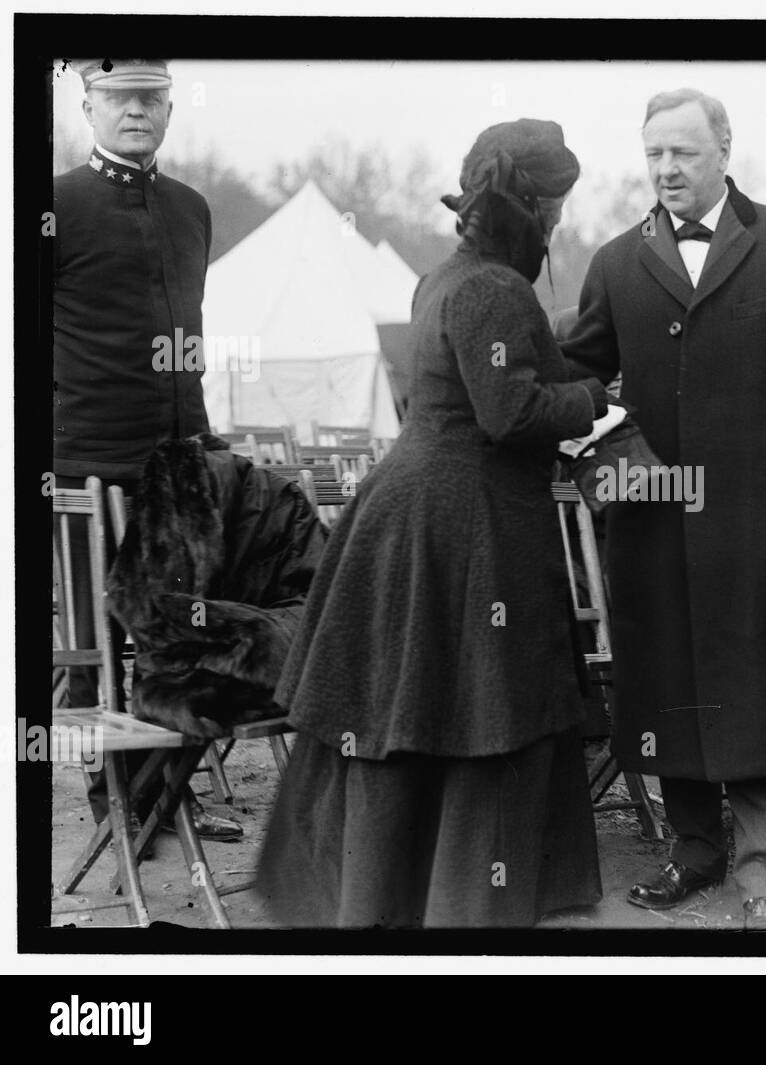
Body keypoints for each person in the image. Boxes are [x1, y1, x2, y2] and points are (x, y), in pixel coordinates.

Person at [256, 119, 606, 928]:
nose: (558, 222)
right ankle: (461, 910)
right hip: (462, 522)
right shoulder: (494, 286)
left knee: (413, 709)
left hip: (415, 510)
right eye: (555, 205)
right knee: (476, 708)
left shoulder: (441, 277)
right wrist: (594, 401)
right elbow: (508, 409)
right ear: (533, 203)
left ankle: (387, 898)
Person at [562, 88, 766, 930]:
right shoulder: (617, 262)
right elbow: (580, 370)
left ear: (724, 152)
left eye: (683, 153)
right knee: (668, 680)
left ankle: (761, 863)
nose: (666, 169)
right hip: (653, 513)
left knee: (758, 682)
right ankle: (692, 851)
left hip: (762, 513)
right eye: (654, 153)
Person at [52, 58, 240, 840]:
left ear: (169, 109)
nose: (137, 113)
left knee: (173, 636)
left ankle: (165, 792)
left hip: (174, 467)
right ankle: (112, 796)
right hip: (84, 461)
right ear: (89, 106)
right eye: (121, 99)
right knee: (100, 643)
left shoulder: (192, 209)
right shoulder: (53, 204)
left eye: (151, 99)